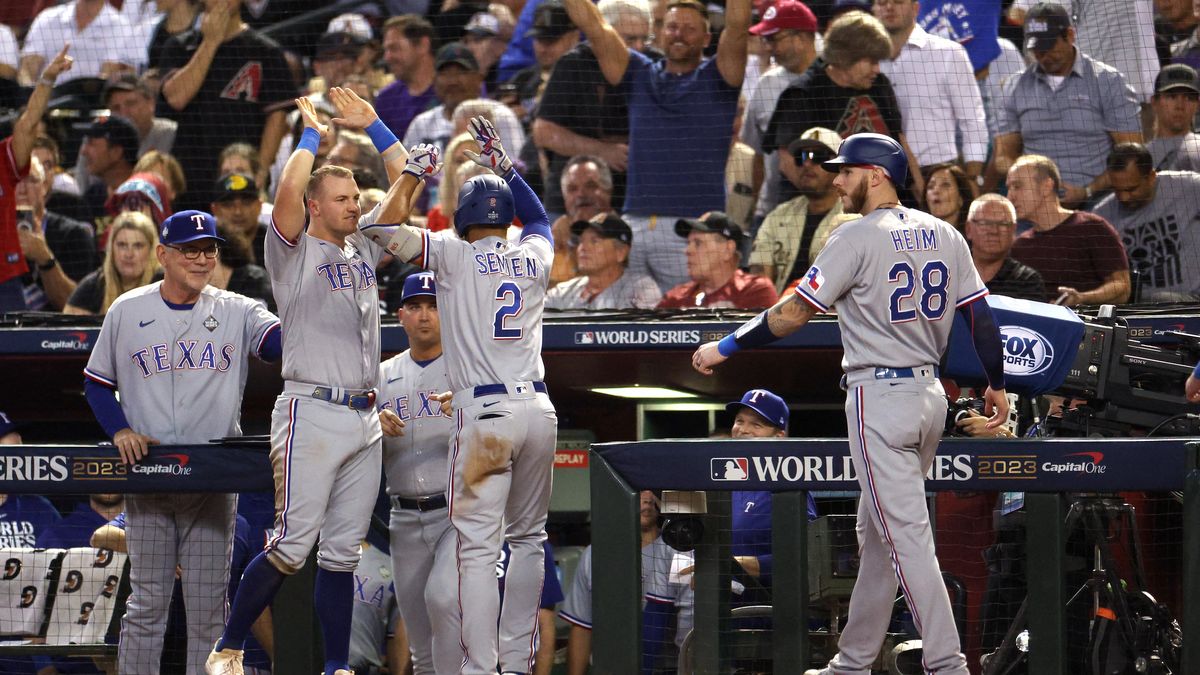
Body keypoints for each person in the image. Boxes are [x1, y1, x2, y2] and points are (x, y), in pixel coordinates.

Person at [691, 133, 1009, 675]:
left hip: (879, 396)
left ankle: (948, 664)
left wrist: (726, 346)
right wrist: (995, 382)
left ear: (877, 174)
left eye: (846, 171)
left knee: (906, 539)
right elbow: (979, 316)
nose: (836, 180)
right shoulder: (945, 233)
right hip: (929, 397)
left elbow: (793, 314)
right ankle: (852, 662)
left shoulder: (855, 236)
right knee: (878, 536)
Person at [207, 90, 421, 675]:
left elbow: (405, 186)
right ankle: (228, 647)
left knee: (342, 554)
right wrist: (309, 137)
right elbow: (284, 193)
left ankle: (335, 666)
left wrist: (375, 125)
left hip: (364, 416)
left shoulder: (362, 246)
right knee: (292, 545)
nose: (355, 205)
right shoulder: (292, 251)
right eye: (343, 199)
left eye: (356, 197)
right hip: (312, 409)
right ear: (316, 206)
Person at [379, 116, 557, 675]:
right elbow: (540, 218)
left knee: (477, 549)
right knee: (529, 539)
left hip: (486, 413)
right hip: (539, 409)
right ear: (506, 218)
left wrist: (413, 173)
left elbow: (380, 228)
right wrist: (507, 168)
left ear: (461, 219)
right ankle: (517, 663)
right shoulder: (532, 255)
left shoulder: (451, 255)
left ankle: (481, 668)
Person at [82, 208, 281, 675]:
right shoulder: (127, 309)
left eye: (208, 250)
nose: (201, 258)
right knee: (147, 603)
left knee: (209, 608)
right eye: (189, 250)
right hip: (149, 476)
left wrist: (303, 303)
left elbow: (277, 343)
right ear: (163, 255)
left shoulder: (237, 308)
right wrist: (120, 430)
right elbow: (96, 382)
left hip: (212, 480)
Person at [563, 0, 750, 292]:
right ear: (660, 33)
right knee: (622, 317)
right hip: (633, 228)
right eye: (672, 27)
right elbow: (594, 26)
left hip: (692, 230)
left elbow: (738, 27)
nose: (678, 34)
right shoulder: (639, 72)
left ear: (706, 38)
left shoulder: (720, 76)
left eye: (689, 29)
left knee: (689, 315)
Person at [376, 272, 461, 675]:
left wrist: (470, 412)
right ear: (401, 315)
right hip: (403, 515)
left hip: (454, 514)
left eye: (433, 306)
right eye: (415, 306)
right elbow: (351, 438)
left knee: (444, 601)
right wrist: (370, 424)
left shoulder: (466, 370)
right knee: (420, 642)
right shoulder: (381, 374)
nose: (425, 315)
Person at [991, 2, 1143, 204]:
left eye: (1049, 47)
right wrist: (1030, 180)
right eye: (1037, 49)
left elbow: (1132, 155)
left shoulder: (1108, 81)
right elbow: (1002, 157)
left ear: (1070, 36)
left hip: (1098, 202)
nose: (1044, 56)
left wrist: (1087, 191)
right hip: (1038, 205)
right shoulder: (1015, 87)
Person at [764, 11, 918, 201]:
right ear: (845, 58)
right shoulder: (804, 93)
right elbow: (788, 162)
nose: (877, 69)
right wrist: (836, 203)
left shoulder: (879, 85)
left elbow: (899, 140)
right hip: (829, 206)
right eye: (871, 61)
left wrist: (918, 193)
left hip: (885, 202)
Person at [160, 0, 296, 207]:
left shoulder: (265, 51)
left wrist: (260, 169)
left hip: (241, 177)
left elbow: (277, 117)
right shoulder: (179, 46)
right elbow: (177, 98)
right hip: (191, 177)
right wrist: (211, 42)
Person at [532, 0, 655, 215]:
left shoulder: (652, 64)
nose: (638, 47)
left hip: (632, 200)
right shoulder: (574, 64)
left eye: (644, 39)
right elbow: (544, 133)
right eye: (629, 39)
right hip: (568, 206)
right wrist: (601, 151)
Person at [874, 0, 987, 180]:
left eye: (898, 1)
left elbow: (972, 118)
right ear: (873, 10)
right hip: (881, 174)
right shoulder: (866, 60)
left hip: (936, 173)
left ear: (916, 8)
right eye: (882, 2)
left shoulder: (948, 53)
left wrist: (973, 176)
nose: (889, 7)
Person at [1006, 154, 1131, 306]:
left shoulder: (1092, 227)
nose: (1010, 197)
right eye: (1008, 188)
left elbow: (1122, 287)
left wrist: (1082, 298)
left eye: (1017, 186)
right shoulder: (1019, 247)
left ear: (1046, 186)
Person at [741, 0, 819, 221]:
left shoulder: (832, 78)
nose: (768, 47)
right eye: (766, 39)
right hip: (772, 210)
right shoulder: (766, 84)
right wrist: (757, 204)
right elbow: (757, 154)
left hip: (827, 211)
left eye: (774, 38)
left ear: (801, 38)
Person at [1092, 142, 1200, 302]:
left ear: (1151, 177)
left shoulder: (1189, 188)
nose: (1123, 197)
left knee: (1163, 298)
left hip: (1192, 301)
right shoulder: (1102, 215)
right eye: (1117, 190)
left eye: (1131, 189)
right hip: (1136, 308)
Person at [749, 126, 847, 293]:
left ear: (838, 166)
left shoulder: (855, 218)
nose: (807, 164)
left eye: (818, 156)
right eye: (801, 157)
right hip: (778, 306)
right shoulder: (778, 216)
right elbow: (760, 283)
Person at [16, 156, 97, 311]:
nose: (22, 189)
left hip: (51, 325)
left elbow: (77, 308)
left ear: (45, 186)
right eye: (14, 181)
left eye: (31, 180)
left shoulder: (74, 235)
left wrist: (44, 258)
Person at [658, 211, 778, 309]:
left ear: (728, 249)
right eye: (688, 243)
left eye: (698, 243)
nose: (687, 251)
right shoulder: (674, 300)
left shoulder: (755, 293)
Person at [547, 213, 662, 309]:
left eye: (594, 241)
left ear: (621, 252)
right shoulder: (562, 292)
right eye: (581, 241)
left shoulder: (641, 289)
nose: (582, 248)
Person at [64, 211, 161, 315]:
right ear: (111, 249)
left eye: (138, 246)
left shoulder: (164, 283)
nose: (129, 254)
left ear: (151, 250)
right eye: (122, 245)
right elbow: (69, 320)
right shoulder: (95, 285)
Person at [963, 194, 1046, 302]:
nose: (994, 231)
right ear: (968, 229)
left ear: (1014, 230)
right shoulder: (951, 272)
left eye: (1003, 224)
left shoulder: (1027, 281)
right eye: (985, 223)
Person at [375, 15, 438, 138]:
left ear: (423, 45)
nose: (387, 57)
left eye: (394, 48)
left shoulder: (450, 90)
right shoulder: (386, 99)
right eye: (386, 50)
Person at [1147, 64, 1200, 172]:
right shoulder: (1139, 158)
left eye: (1188, 98)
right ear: (1154, 102)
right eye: (1171, 96)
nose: (1180, 106)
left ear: (1198, 105)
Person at [923, 163, 976, 231]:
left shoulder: (977, 235)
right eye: (930, 186)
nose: (936, 191)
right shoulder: (915, 234)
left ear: (961, 198)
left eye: (945, 185)